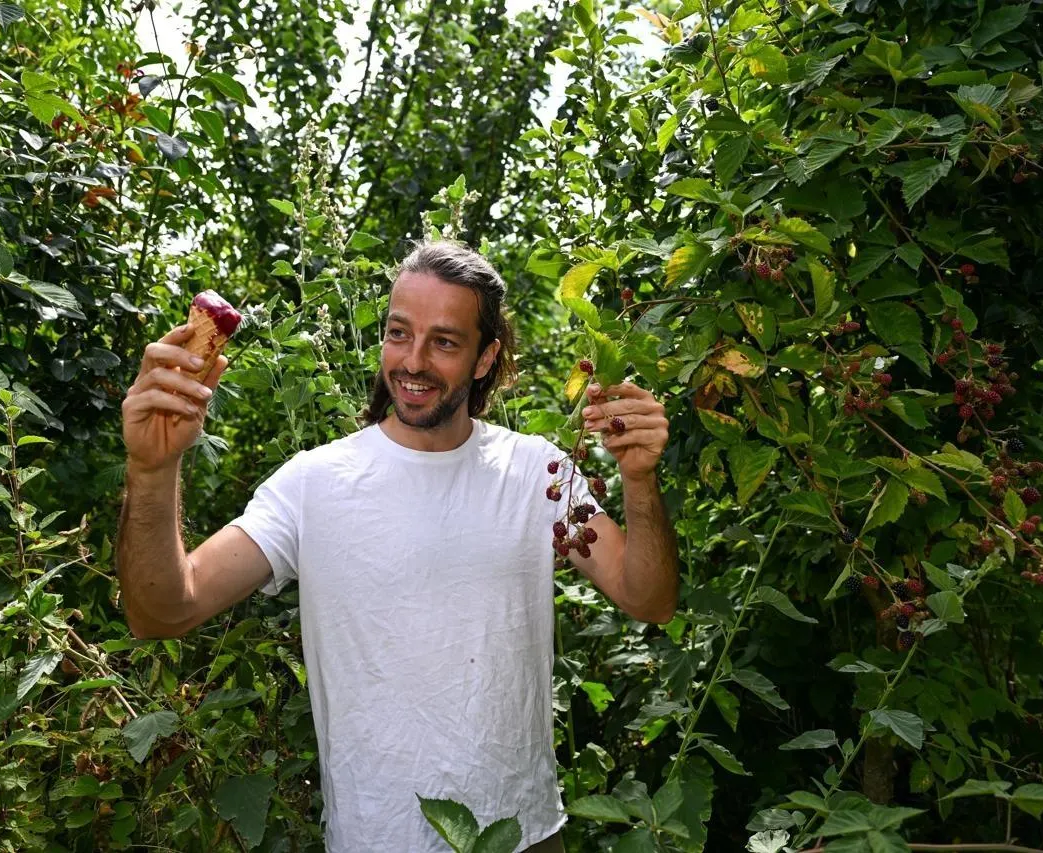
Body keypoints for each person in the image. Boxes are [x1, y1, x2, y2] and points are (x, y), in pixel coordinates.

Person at [117, 240, 680, 852]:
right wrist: (152, 468)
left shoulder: (536, 474)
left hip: (523, 836)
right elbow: (162, 611)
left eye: (444, 342)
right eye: (398, 333)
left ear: (485, 358)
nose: (413, 361)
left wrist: (639, 479)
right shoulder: (313, 484)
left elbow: (648, 599)